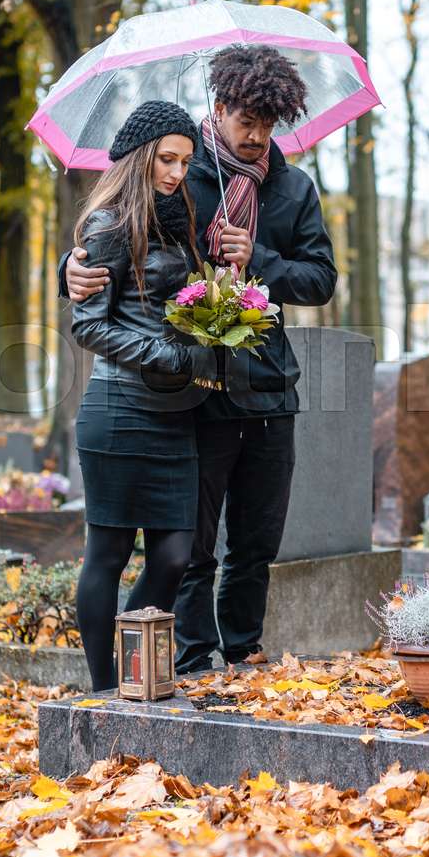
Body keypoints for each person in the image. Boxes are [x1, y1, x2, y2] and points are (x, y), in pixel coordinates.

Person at [65, 45, 338, 673]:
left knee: (257, 540)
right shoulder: (180, 174)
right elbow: (118, 238)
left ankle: (242, 652)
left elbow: (320, 280)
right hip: (194, 389)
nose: (257, 136)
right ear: (219, 109)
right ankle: (190, 657)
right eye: (247, 121)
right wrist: (70, 268)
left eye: (270, 126)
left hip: (268, 384)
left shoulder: (293, 189)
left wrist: (260, 260)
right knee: (190, 548)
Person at [69, 101, 220, 691]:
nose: (177, 171)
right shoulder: (108, 225)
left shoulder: (180, 227)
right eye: (166, 158)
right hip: (119, 410)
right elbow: (88, 325)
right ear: (140, 157)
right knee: (107, 554)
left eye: (185, 160)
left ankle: (136, 666)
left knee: (174, 557)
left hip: (175, 417)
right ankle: (102, 688)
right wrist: (165, 354)